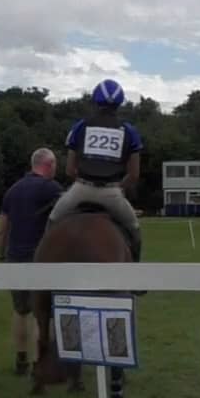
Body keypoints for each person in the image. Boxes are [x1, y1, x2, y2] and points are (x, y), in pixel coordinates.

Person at [48, 78, 143, 262]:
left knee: (52, 220)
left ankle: (44, 271)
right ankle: (134, 277)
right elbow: (134, 174)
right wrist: (120, 187)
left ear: (95, 101)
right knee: (134, 229)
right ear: (119, 103)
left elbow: (69, 170)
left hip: (81, 189)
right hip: (112, 193)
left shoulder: (81, 126)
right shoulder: (129, 131)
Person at [0, 148, 64, 375]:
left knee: (20, 311)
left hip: (15, 257)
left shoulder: (13, 190)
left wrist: (1, 255)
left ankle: (20, 360)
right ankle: (40, 363)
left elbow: (2, 230)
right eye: (55, 165)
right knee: (42, 313)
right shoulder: (52, 189)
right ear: (49, 164)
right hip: (40, 259)